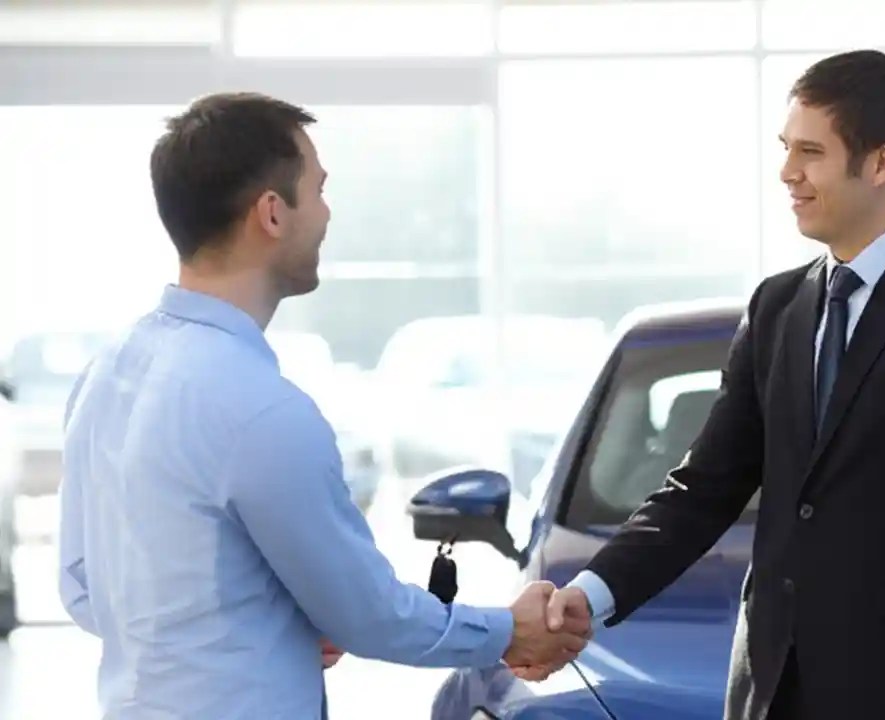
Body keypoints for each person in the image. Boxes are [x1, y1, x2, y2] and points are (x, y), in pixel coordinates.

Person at [543, 50, 885, 720]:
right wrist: (593, 592)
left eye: (810, 151)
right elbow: (704, 487)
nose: (787, 173)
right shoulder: (778, 308)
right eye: (786, 149)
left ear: (881, 163)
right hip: (770, 695)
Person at [57, 92, 590, 720]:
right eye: (318, 190)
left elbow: (82, 584)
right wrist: (508, 629)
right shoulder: (260, 409)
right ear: (273, 214)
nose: (328, 214)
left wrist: (261, 629)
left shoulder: (108, 373)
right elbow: (369, 615)